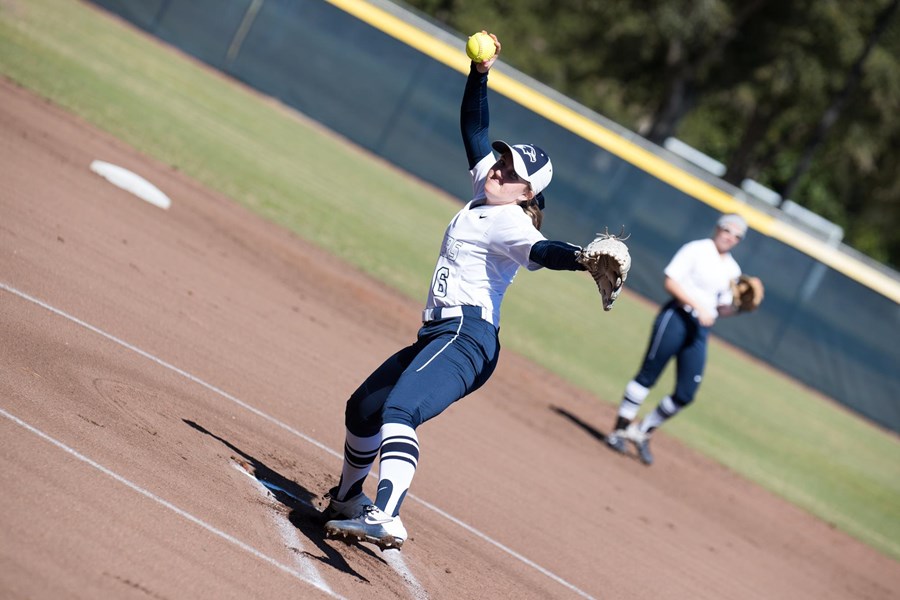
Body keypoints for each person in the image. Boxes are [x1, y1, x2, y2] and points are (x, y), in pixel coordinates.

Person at [321, 32, 594, 550]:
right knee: (364, 408)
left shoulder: (512, 221)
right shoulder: (486, 192)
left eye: (512, 173)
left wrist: (580, 258)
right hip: (440, 335)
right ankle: (348, 499)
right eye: (502, 162)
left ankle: (386, 515)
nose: (499, 170)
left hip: (467, 337)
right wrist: (480, 73)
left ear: (528, 193)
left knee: (400, 411)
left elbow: (543, 250)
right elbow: (475, 127)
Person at [605, 213, 749, 465]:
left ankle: (641, 431)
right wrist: (698, 306)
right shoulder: (697, 249)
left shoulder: (733, 269)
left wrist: (740, 308)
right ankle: (619, 431)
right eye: (727, 230)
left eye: (737, 236)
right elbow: (670, 282)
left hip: (700, 330)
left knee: (686, 393)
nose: (730, 237)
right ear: (718, 228)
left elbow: (721, 308)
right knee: (648, 375)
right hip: (677, 318)